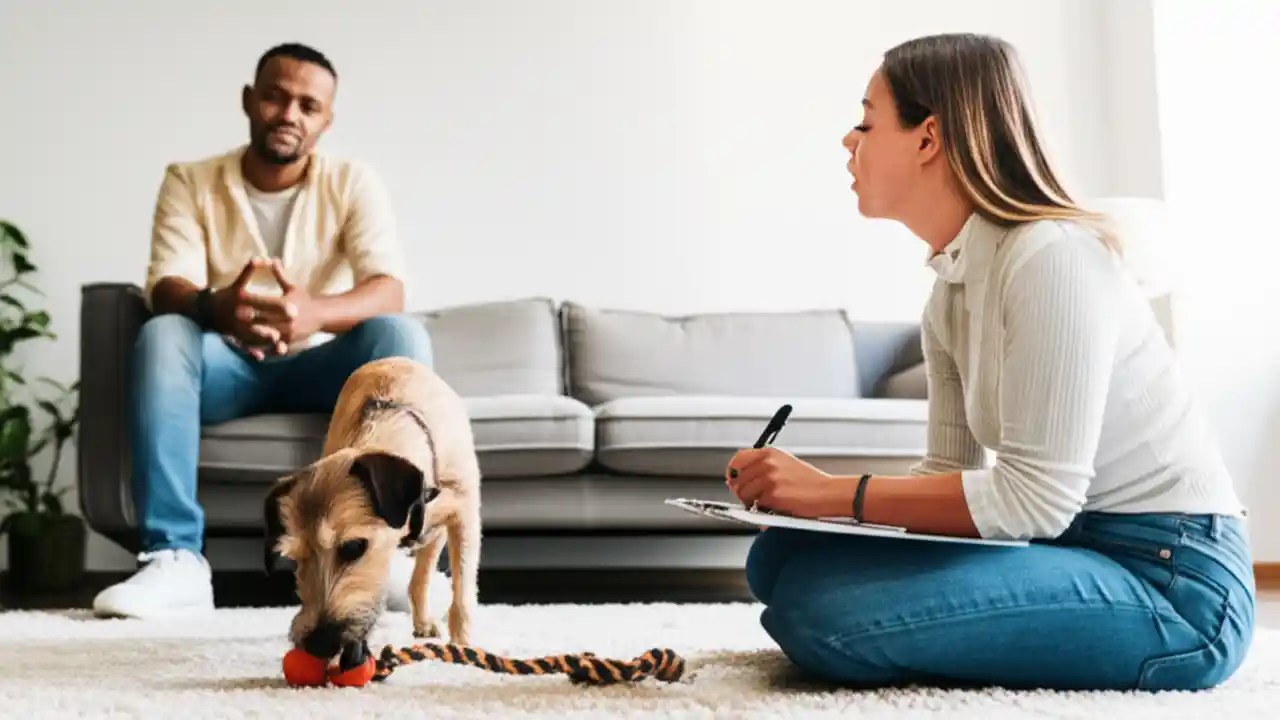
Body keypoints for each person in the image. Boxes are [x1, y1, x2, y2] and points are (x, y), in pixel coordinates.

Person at [726, 33, 1255, 691]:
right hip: (1074, 545)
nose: (847, 140)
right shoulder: (952, 289)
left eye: (866, 120)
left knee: (819, 613)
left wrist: (831, 491)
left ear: (928, 138)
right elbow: (951, 475)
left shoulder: (1052, 256)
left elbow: (1035, 500)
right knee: (781, 557)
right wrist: (807, 507)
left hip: (1177, 582)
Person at [93, 43, 435, 618]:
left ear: (326, 120)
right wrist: (219, 307)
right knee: (163, 332)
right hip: (227, 368)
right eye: (275, 97)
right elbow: (166, 283)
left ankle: (390, 551)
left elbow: (388, 287)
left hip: (321, 370)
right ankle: (174, 558)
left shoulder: (353, 181)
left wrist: (313, 314)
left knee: (399, 337)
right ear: (249, 101)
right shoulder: (190, 179)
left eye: (308, 105)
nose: (288, 114)